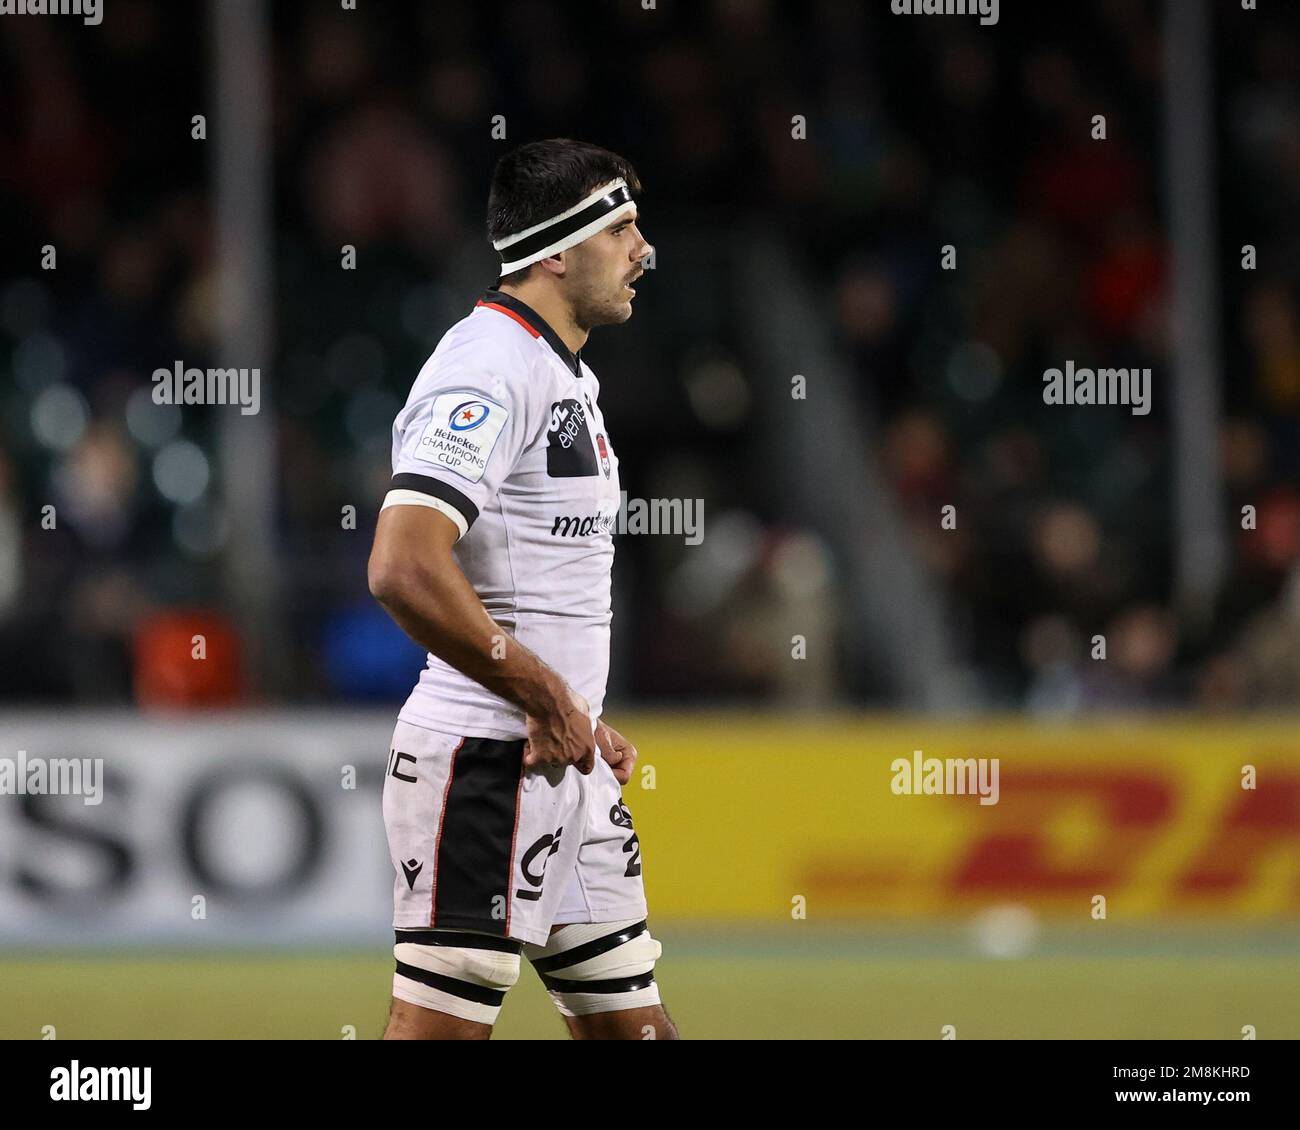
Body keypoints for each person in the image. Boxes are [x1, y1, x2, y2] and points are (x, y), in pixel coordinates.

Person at [367, 138, 676, 1039]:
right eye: (620, 228)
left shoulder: (561, 372)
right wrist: (542, 692)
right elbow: (403, 563)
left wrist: (571, 704)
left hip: (557, 758)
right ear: (554, 251)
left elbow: (535, 585)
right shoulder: (489, 366)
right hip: (485, 760)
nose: (642, 249)